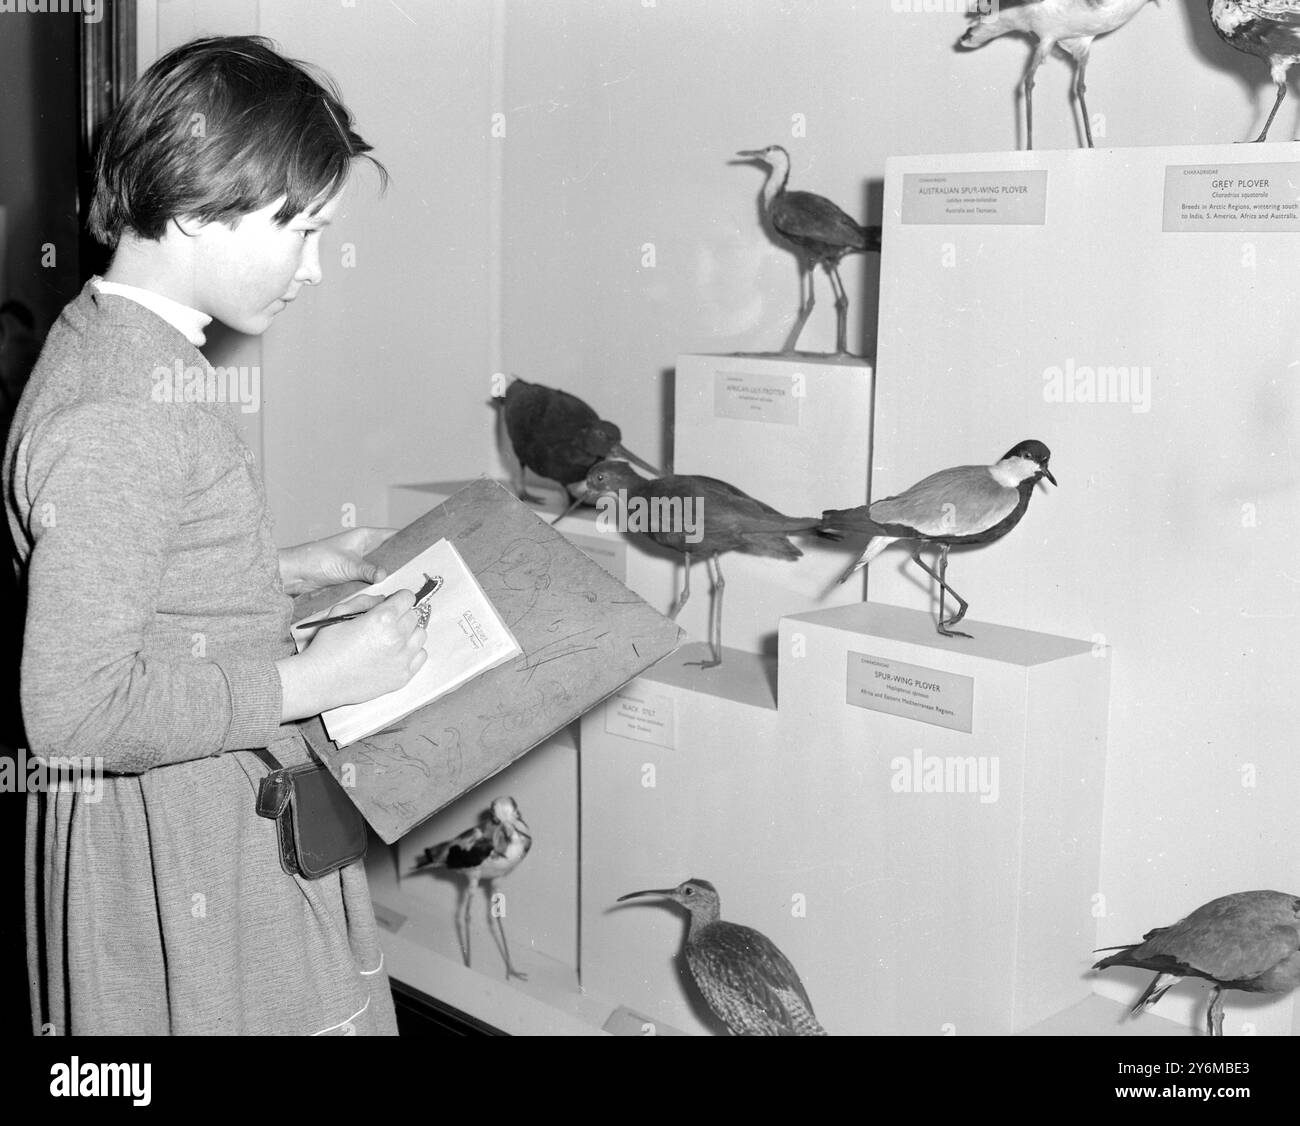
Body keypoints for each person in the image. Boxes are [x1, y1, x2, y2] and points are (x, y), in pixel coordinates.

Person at [4, 35, 428, 1035]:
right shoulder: (125, 408)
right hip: (185, 840)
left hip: (178, 821)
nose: (315, 269)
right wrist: (322, 679)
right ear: (200, 207)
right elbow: (71, 713)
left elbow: (123, 573)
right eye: (303, 230)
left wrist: (274, 571)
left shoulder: (114, 342)